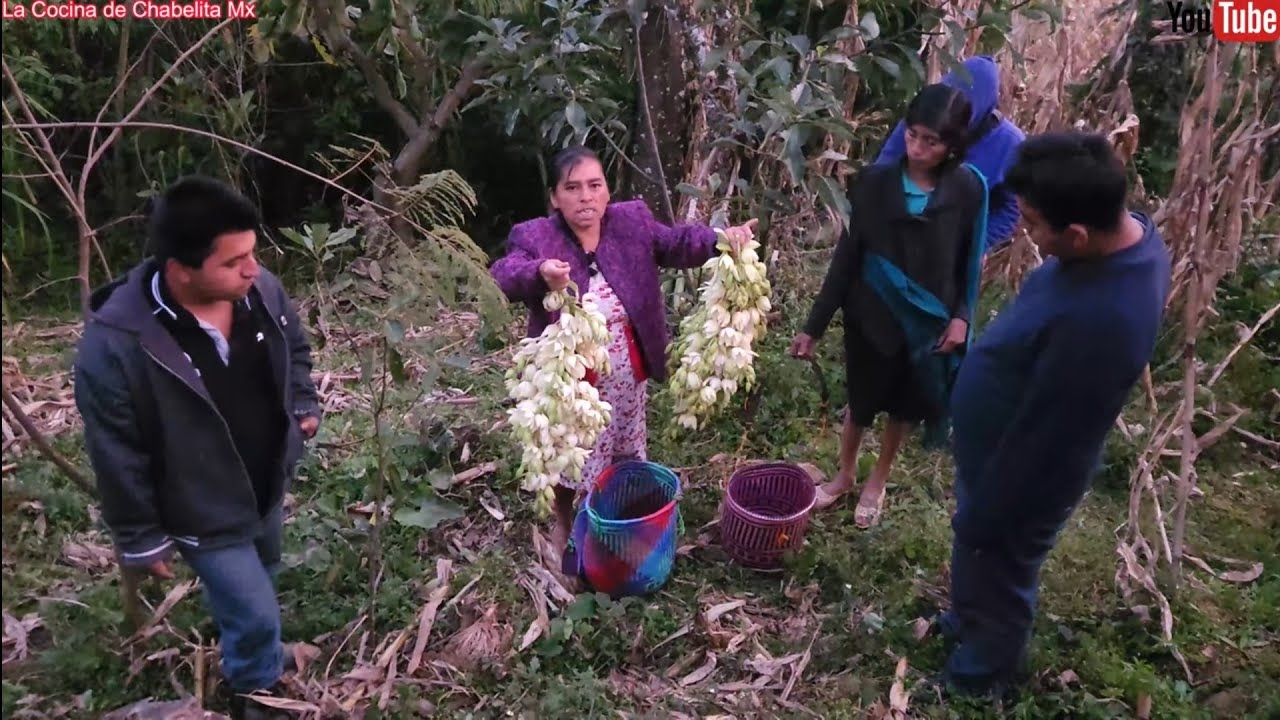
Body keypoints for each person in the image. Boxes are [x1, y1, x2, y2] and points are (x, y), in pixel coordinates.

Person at [73, 176, 322, 720]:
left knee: (265, 568)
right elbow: (116, 452)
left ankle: (253, 647)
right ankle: (256, 692)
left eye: (252, 253)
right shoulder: (117, 347)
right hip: (198, 504)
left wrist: (303, 402)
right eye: (233, 261)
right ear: (181, 269)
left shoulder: (261, 291)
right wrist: (140, 537)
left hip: (264, 481)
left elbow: (295, 347)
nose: (253, 269)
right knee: (254, 609)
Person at [941, 132, 1171, 698]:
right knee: (980, 550)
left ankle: (980, 676)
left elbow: (1046, 442)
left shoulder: (1106, 323)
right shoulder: (1123, 239)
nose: (1027, 233)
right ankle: (966, 619)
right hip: (998, 455)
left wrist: (986, 514)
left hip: (1022, 475)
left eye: (1033, 223)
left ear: (1077, 234)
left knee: (1003, 564)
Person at [491, 145, 757, 551]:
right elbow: (504, 275)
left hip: (626, 371)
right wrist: (540, 272)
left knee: (623, 447)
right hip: (571, 380)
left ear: (607, 191)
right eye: (573, 188)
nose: (586, 197)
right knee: (570, 454)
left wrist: (723, 240)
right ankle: (565, 524)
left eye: (594, 185)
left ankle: (616, 520)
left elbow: (677, 242)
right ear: (555, 198)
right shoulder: (535, 236)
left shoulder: (631, 221)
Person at [790, 84, 989, 527]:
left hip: (927, 325)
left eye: (931, 142)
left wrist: (961, 316)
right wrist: (814, 326)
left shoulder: (967, 191)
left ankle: (877, 480)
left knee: (903, 406)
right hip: (871, 316)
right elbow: (846, 258)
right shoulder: (873, 184)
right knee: (861, 401)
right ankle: (844, 475)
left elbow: (968, 262)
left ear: (952, 145)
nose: (917, 148)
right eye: (912, 135)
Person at [874, 55, 1025, 252]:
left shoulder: (1009, 144)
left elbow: (1011, 209)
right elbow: (881, 174)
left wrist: (973, 245)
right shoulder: (922, 121)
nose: (918, 148)